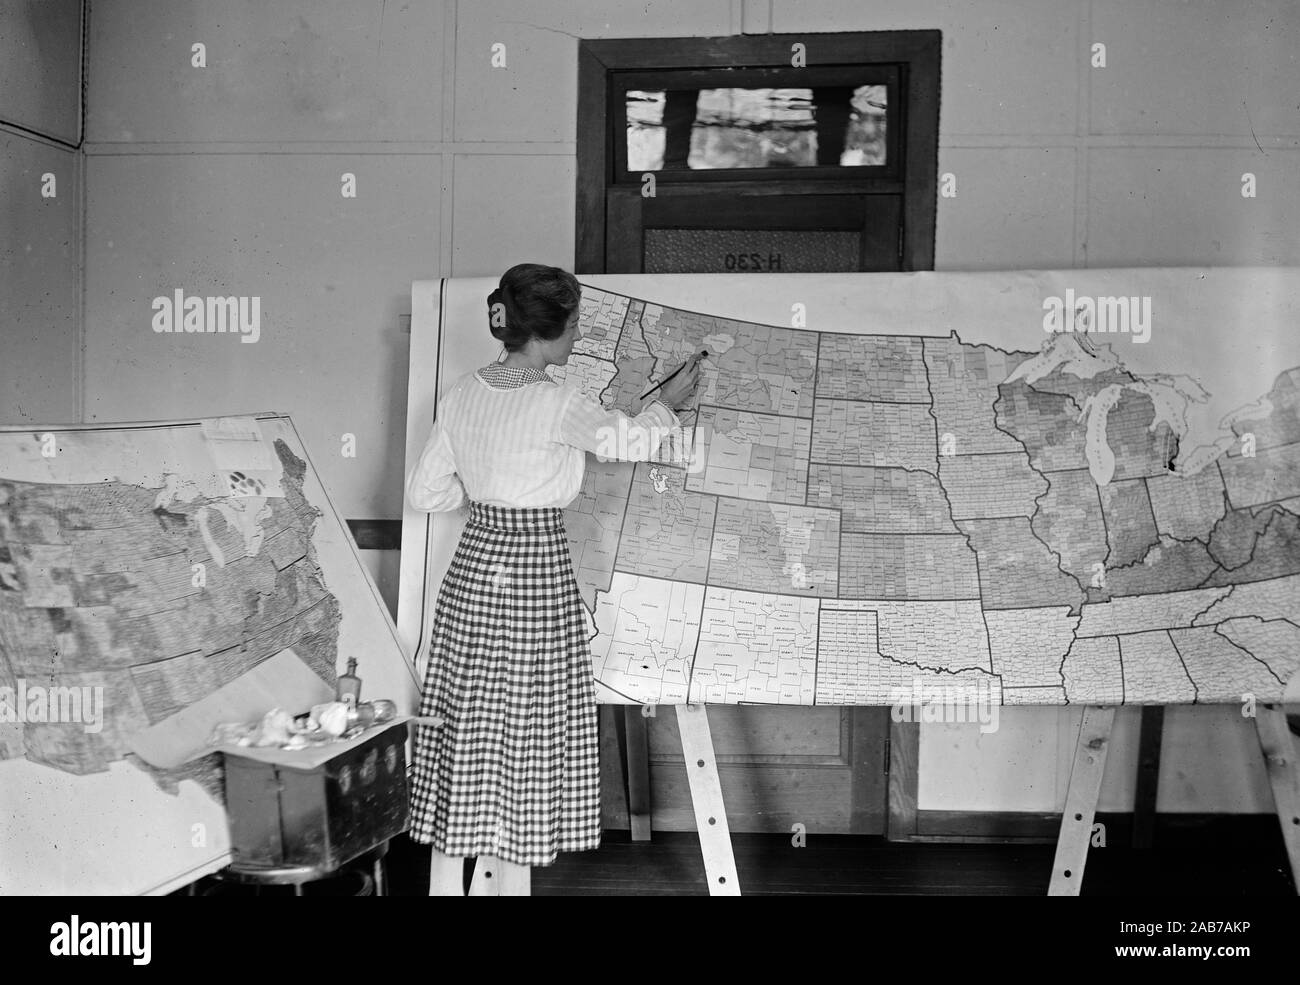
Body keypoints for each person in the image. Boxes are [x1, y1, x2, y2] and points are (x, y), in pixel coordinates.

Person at [404, 262, 701, 893]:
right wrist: (666, 407)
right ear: (552, 331)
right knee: (527, 728)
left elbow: (427, 494)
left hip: (474, 571)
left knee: (470, 719)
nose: (575, 337)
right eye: (572, 325)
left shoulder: (460, 394)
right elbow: (627, 443)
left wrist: (489, 494)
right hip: (536, 570)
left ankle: (445, 880)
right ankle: (510, 886)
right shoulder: (557, 401)